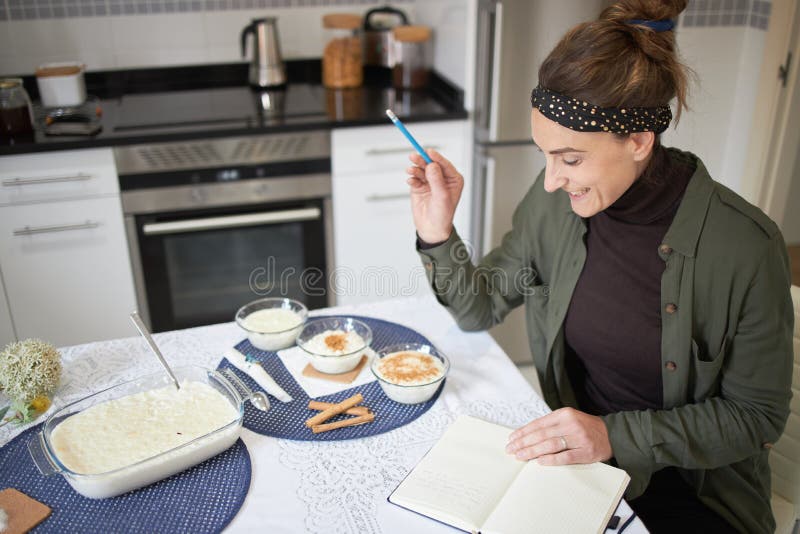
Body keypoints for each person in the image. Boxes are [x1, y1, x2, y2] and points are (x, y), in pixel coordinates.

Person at [404, 1, 795, 532]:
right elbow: (479, 306)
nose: (550, 181)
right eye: (545, 155)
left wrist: (614, 437)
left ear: (637, 141)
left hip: (691, 492)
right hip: (577, 471)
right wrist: (437, 232)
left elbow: (756, 417)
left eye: (570, 159)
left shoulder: (746, 247)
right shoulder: (553, 207)